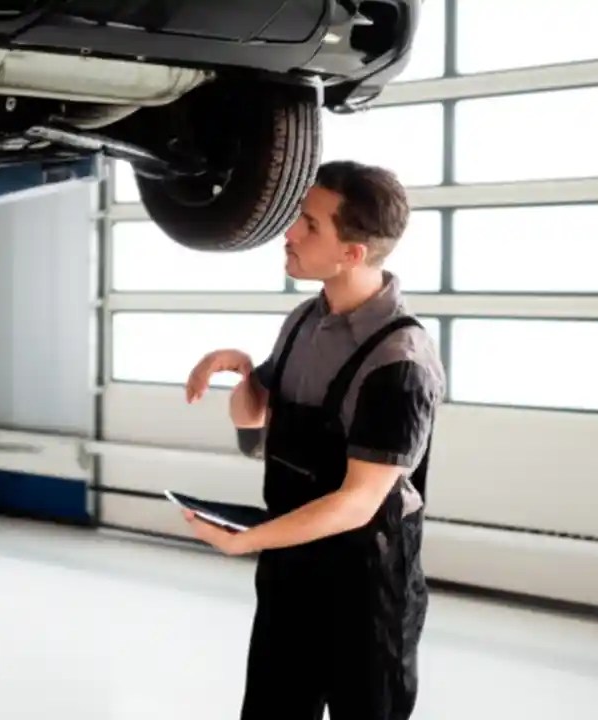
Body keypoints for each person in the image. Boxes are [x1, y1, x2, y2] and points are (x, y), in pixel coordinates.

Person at [182, 160, 445, 720]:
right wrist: (246, 374)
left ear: (353, 253)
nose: (289, 232)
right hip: (291, 575)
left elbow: (358, 501)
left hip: (368, 591)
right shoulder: (305, 319)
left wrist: (245, 541)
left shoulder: (399, 361)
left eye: (309, 224)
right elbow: (254, 429)